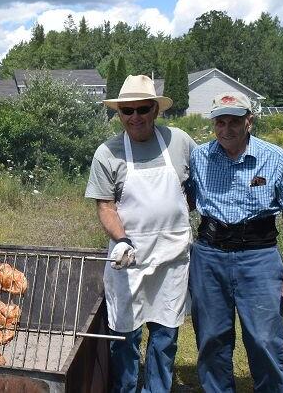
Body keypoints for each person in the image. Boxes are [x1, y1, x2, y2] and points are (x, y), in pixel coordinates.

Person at [186, 92, 283, 392]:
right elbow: (180, 203)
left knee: (265, 340)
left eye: (235, 121)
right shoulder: (199, 157)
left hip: (259, 257)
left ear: (249, 121)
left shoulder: (275, 157)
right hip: (210, 255)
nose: (227, 129)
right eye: (220, 122)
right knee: (211, 339)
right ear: (214, 124)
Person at [85, 75, 198, 392]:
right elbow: (105, 206)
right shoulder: (107, 153)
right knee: (125, 337)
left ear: (155, 110)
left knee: (165, 335)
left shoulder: (180, 142)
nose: (135, 117)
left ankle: (158, 388)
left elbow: (196, 187)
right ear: (119, 113)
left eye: (143, 109)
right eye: (127, 111)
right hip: (129, 262)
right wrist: (122, 240)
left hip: (172, 261)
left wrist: (176, 214)